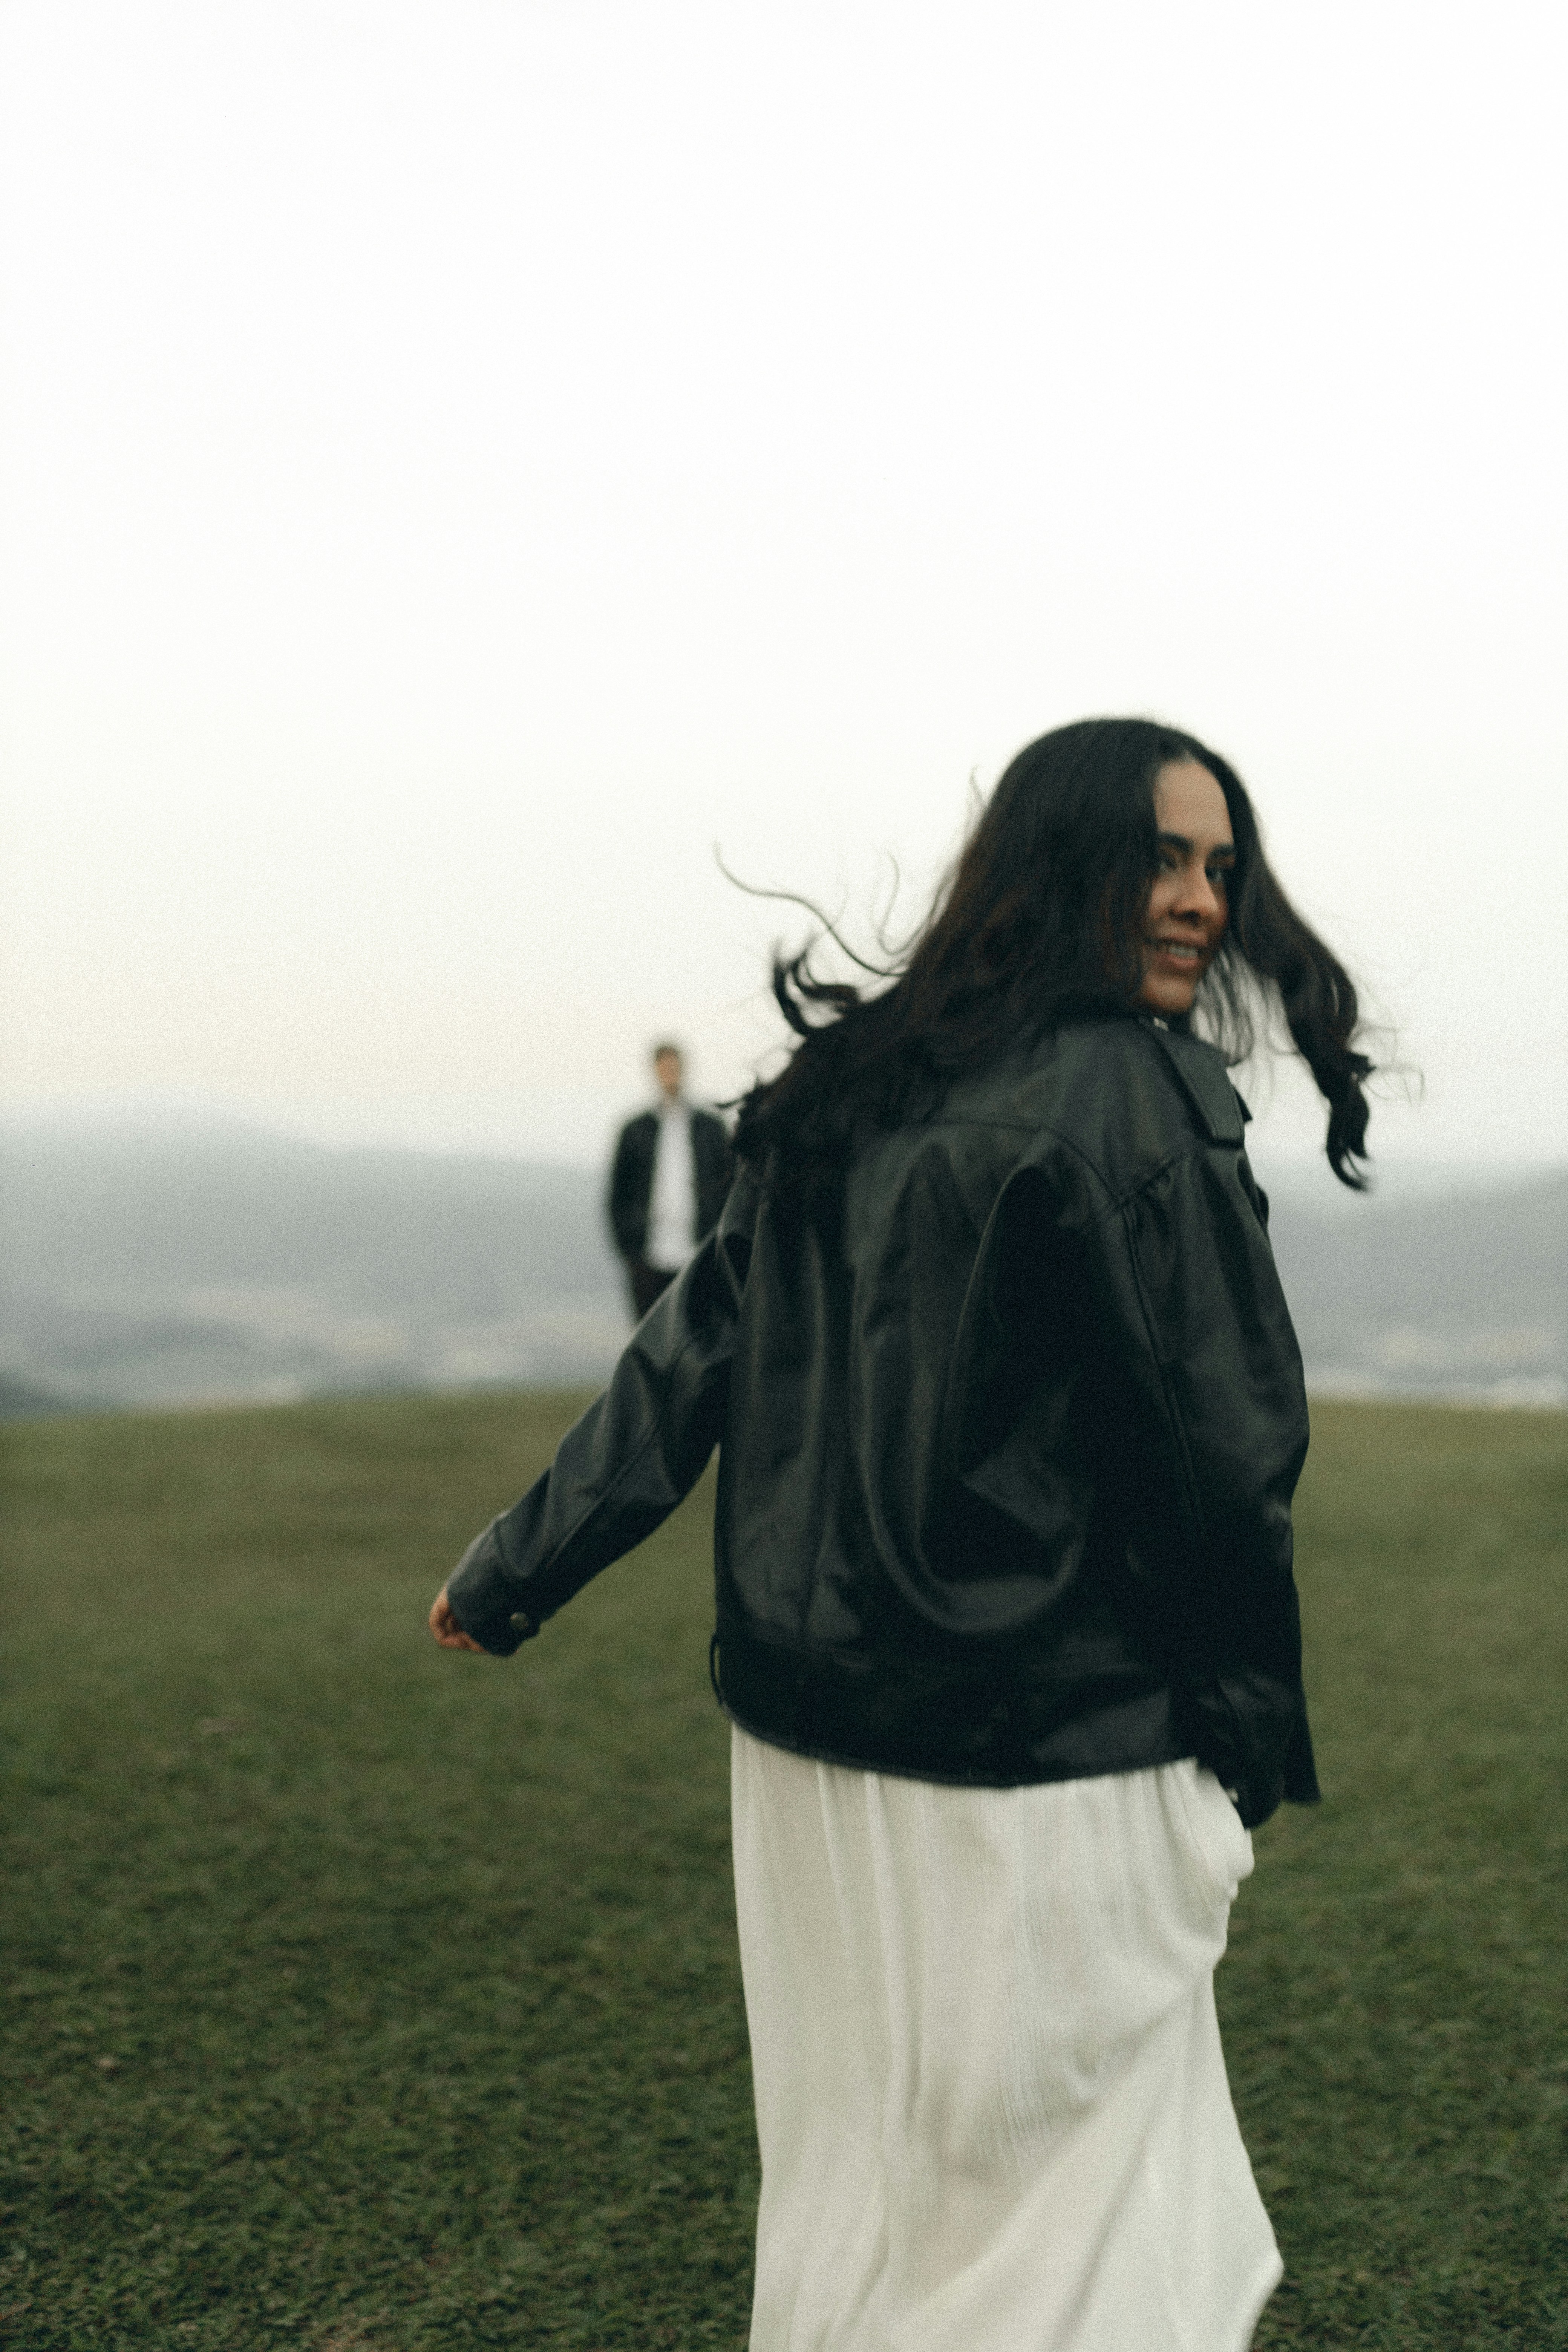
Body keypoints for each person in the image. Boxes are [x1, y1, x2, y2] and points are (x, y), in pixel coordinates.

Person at [430, 717, 1372, 2352]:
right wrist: (1246, 1744)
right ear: (1061, 858)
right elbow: (1226, 1457)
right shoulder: (1141, 1095)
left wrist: (515, 1567)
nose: (1203, 900)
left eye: (1222, 866)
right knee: (1071, 2236)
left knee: (868, 2188)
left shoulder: (849, 1081)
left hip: (804, 1749)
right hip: (1036, 1758)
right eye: (1163, 856)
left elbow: (686, 1357)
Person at [606, 1040, 732, 1320]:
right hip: (649, 1260)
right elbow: (618, 1196)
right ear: (655, 1073)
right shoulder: (636, 1131)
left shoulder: (710, 1129)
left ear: (684, 1070)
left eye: (674, 1069)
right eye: (665, 1070)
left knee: (700, 1341)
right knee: (650, 1345)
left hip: (700, 1258)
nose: (670, 1076)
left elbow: (727, 1188)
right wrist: (631, 1253)